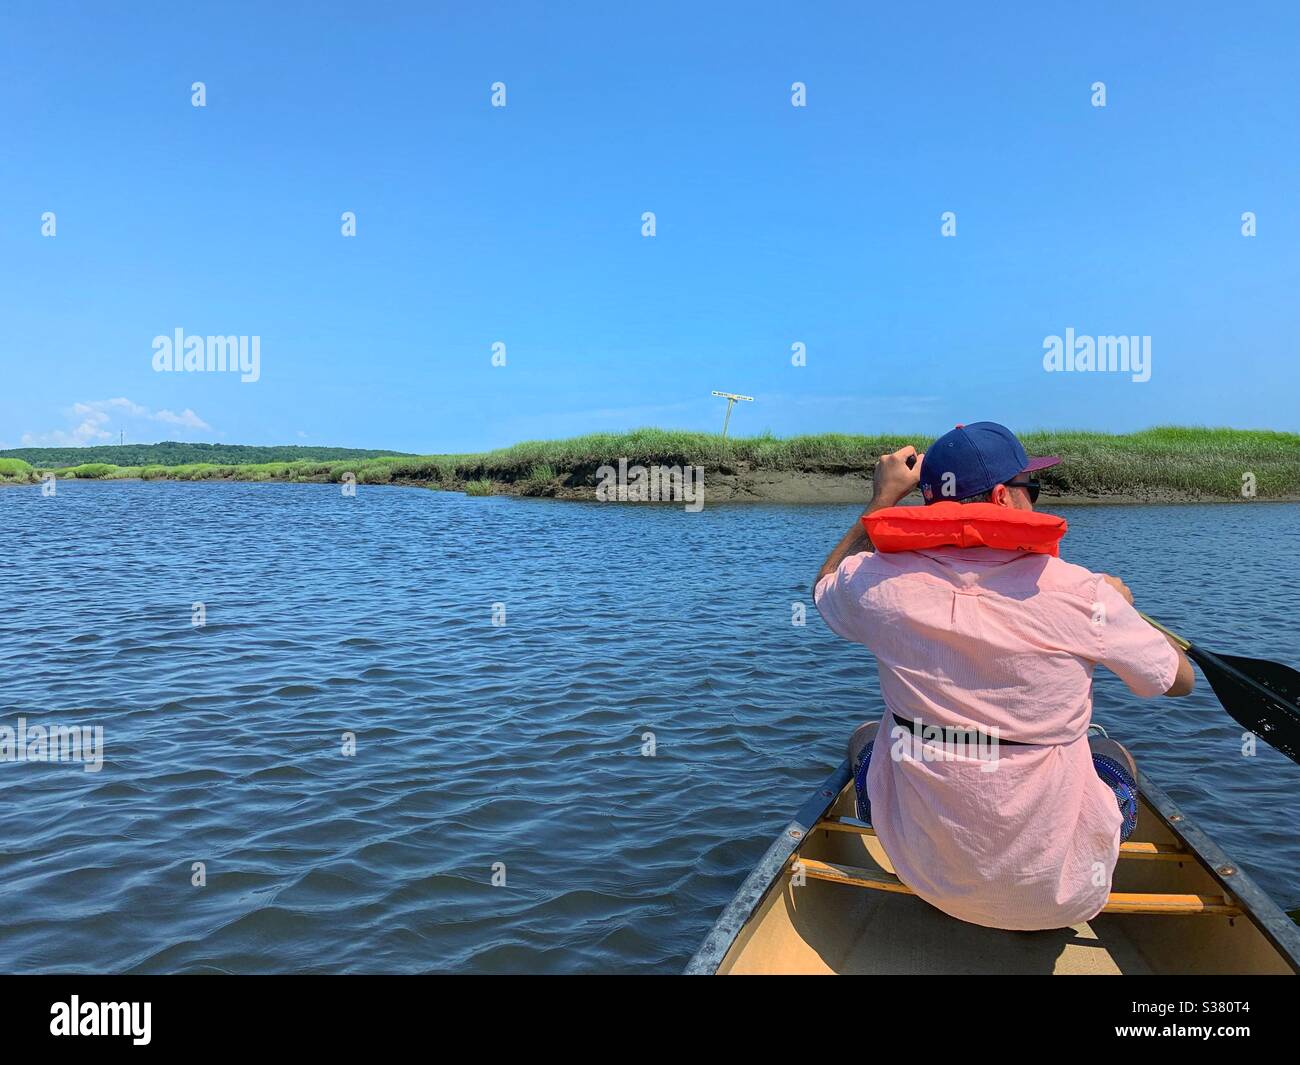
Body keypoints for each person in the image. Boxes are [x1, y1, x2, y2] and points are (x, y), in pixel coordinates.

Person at [813, 422, 1195, 931]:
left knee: (868, 737)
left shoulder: (874, 583)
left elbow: (823, 586)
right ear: (1003, 496)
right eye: (1031, 488)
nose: (1035, 500)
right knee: (1112, 754)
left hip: (924, 875)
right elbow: (1179, 681)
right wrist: (1121, 609)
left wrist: (881, 500)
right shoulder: (1083, 594)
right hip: (1063, 897)